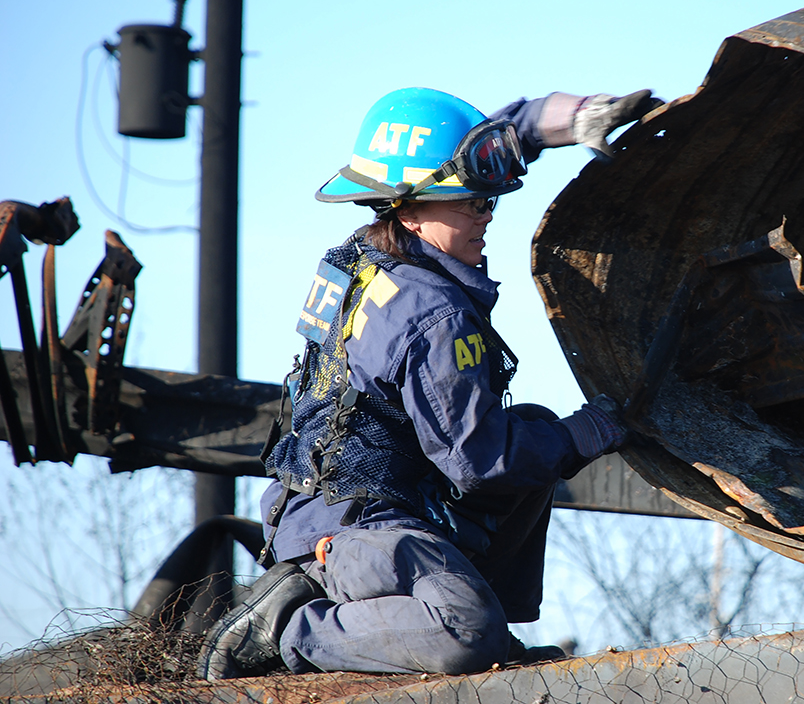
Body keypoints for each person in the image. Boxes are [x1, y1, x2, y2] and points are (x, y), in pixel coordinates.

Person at [196, 86, 661, 680]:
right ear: (411, 208)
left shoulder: (371, 258)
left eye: (487, 199)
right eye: (469, 201)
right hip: (357, 532)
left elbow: (473, 146)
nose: (487, 213)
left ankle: (455, 609)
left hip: (332, 510)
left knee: (536, 430)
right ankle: (289, 627)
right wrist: (593, 431)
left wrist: (569, 119)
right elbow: (480, 461)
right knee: (468, 633)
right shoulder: (433, 312)